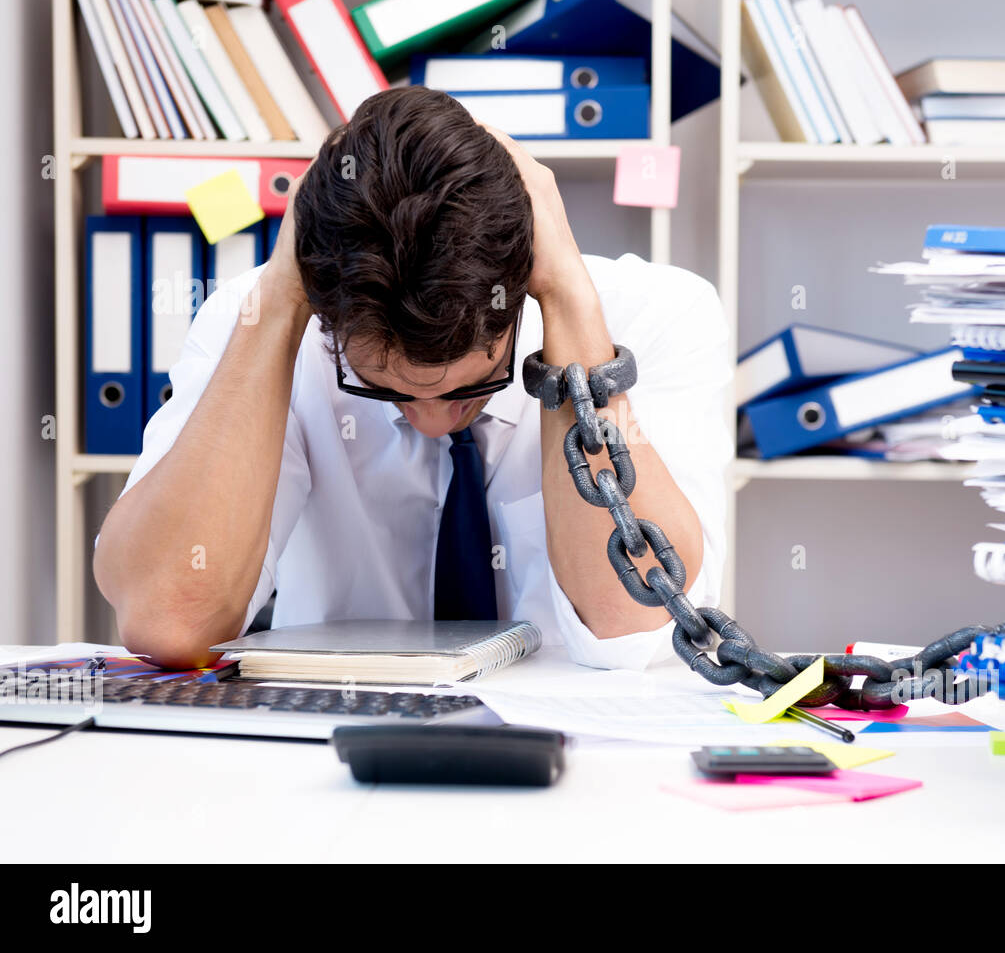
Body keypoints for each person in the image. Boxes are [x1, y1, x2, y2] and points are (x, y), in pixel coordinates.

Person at [93, 87, 731, 670]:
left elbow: (633, 618)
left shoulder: (658, 315)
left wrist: (567, 296)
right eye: (383, 387)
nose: (428, 419)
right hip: (331, 748)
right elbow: (172, 620)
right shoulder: (262, 317)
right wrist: (281, 301)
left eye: (467, 388)